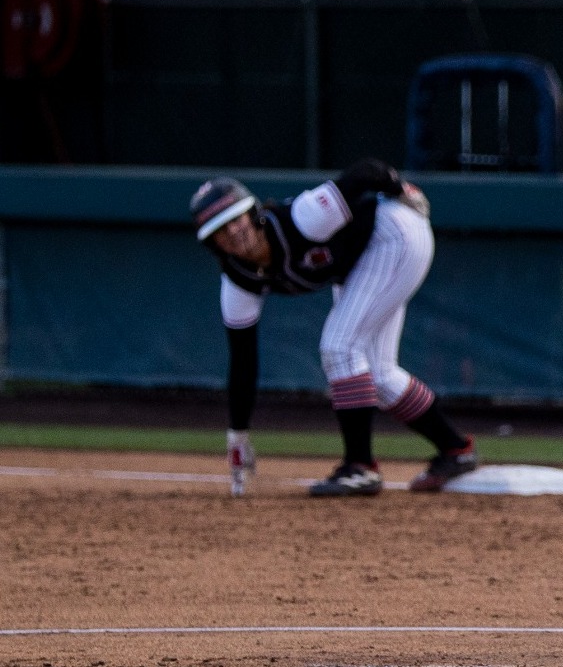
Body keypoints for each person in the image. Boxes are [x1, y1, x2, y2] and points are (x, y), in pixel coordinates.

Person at [189, 159, 480, 497]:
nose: (234, 233)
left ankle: (360, 467)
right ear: (214, 246)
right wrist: (237, 433)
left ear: (252, 213)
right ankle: (456, 450)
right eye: (221, 231)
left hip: (394, 233)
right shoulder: (238, 281)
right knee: (379, 373)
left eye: (236, 219)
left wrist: (401, 189)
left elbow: (365, 173)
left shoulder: (303, 217)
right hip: (363, 262)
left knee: (339, 348)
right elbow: (243, 360)